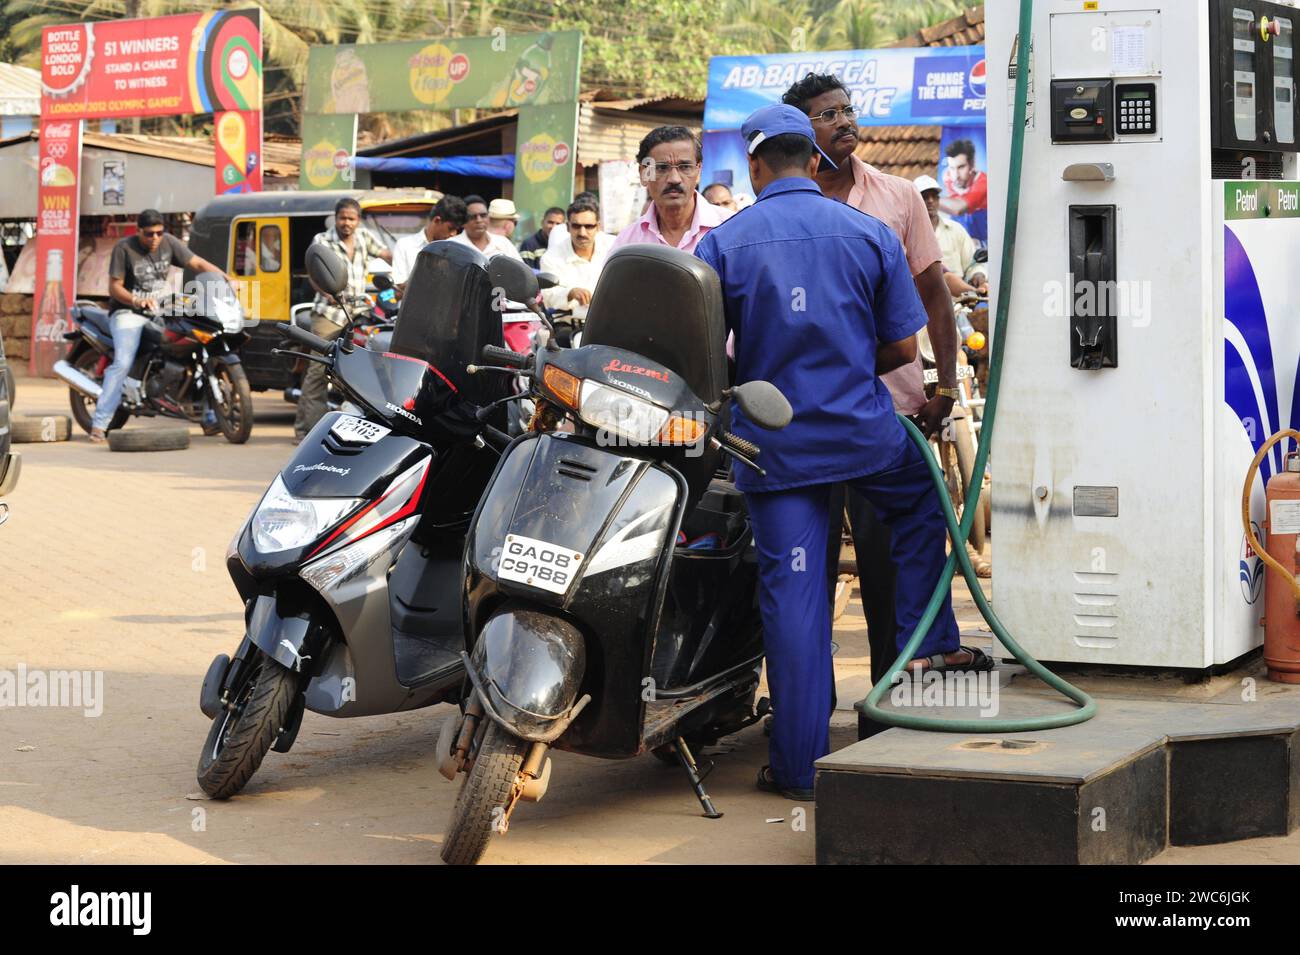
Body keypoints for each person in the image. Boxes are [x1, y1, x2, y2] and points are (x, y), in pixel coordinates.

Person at [694, 104, 980, 802]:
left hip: (777, 450)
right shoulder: (867, 234)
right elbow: (901, 349)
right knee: (921, 508)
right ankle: (922, 653)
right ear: (814, 160)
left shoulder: (724, 245)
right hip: (867, 435)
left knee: (794, 597)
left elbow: (704, 360)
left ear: (756, 166)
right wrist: (846, 359)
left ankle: (797, 770)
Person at [784, 72, 967, 707]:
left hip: (889, 412)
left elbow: (934, 294)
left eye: (845, 110)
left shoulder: (897, 198)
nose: (842, 121)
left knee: (891, 565)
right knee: (808, 568)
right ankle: (810, 714)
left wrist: (946, 382)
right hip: (802, 420)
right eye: (825, 115)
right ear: (797, 134)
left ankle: (894, 704)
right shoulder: (784, 205)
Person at [92, 209, 226, 442]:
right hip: (128, 312)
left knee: (195, 343)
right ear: (138, 231)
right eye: (149, 234)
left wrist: (226, 279)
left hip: (160, 310)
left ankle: (207, 414)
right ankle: (99, 423)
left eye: (159, 233)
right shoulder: (124, 248)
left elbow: (197, 263)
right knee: (122, 361)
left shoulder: (169, 243)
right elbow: (114, 287)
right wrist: (136, 300)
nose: (155, 238)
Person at [294, 197, 392, 442]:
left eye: (351, 218)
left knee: (368, 364)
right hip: (330, 312)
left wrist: (407, 262)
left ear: (358, 221)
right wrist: (327, 293)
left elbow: (387, 254)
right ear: (335, 218)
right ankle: (306, 429)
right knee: (318, 369)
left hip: (359, 312)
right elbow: (314, 272)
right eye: (342, 218)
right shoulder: (323, 240)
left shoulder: (364, 237)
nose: (346, 223)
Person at [612, 126, 725, 254]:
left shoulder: (730, 229)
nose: (674, 179)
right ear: (644, 173)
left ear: (698, 171)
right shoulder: (627, 244)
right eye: (661, 168)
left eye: (685, 167)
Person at [538, 196, 612, 321]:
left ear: (598, 227)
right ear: (568, 227)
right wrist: (570, 293)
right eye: (576, 226)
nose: (582, 233)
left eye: (589, 226)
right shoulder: (551, 257)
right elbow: (548, 296)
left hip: (610, 322)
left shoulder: (613, 248)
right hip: (570, 326)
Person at [915, 174, 987, 296]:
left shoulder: (956, 230)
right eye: (925, 197)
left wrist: (977, 274)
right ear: (915, 201)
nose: (931, 201)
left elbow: (971, 264)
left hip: (962, 303)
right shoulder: (909, 235)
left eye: (934, 196)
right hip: (925, 303)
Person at [391, 195, 468, 288]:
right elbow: (399, 288)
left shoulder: (457, 249)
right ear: (437, 220)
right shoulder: (405, 245)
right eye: (451, 228)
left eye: (458, 230)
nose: (453, 234)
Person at [451, 195, 524, 261]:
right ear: (463, 221)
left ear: (488, 218)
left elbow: (521, 273)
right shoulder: (452, 246)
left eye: (483, 215)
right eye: (472, 217)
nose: (479, 220)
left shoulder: (504, 244)